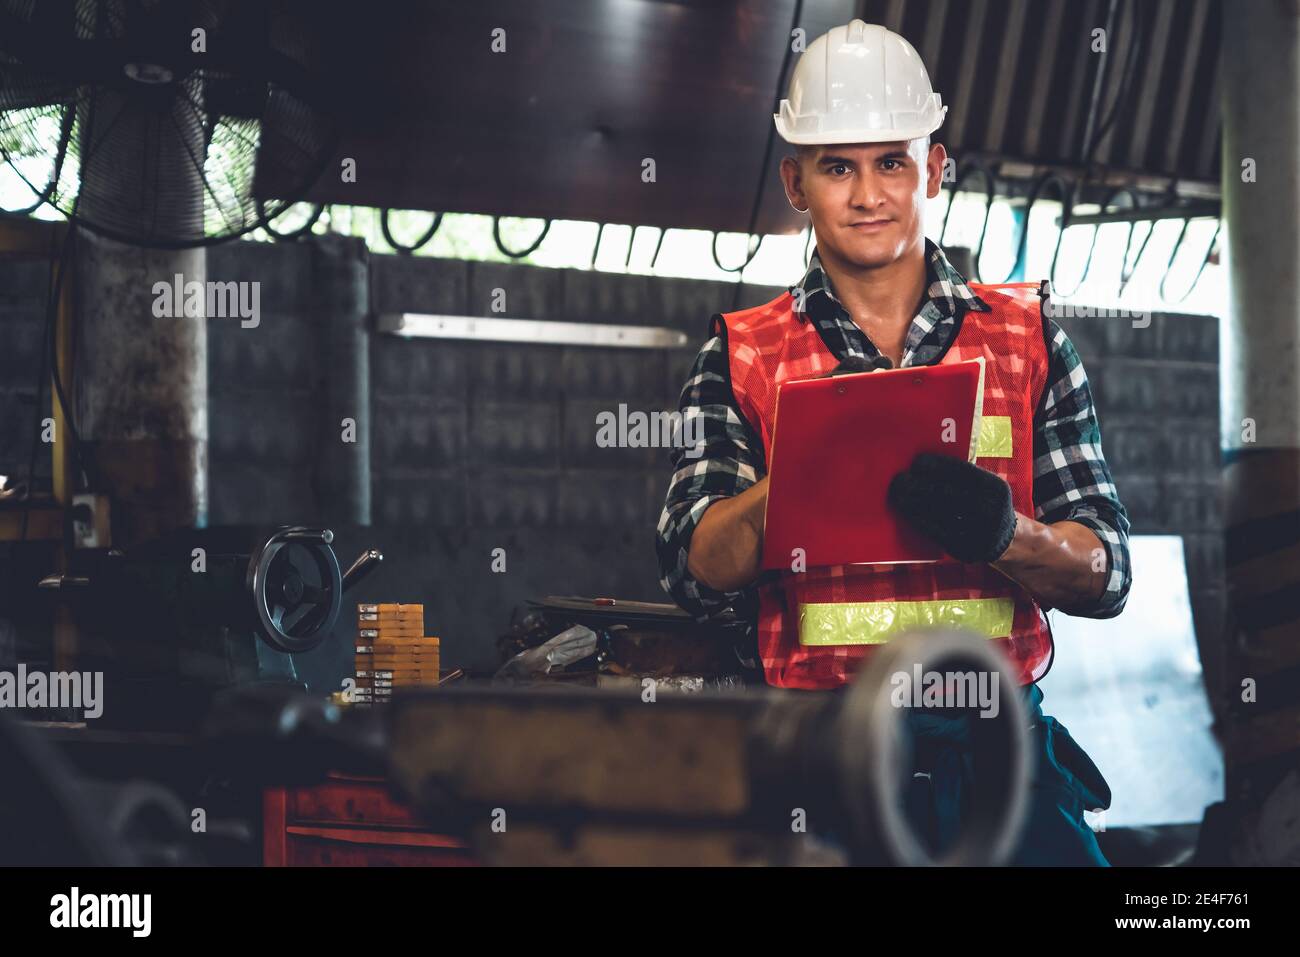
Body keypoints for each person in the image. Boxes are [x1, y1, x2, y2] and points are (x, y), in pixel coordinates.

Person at [655, 20, 1131, 865]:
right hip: (823, 769)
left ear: (935, 170)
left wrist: (1008, 534)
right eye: (838, 166)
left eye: (892, 162)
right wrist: (796, 480)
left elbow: (1108, 572)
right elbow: (693, 567)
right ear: (797, 183)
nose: (868, 194)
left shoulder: (1028, 343)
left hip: (1000, 763)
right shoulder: (742, 355)